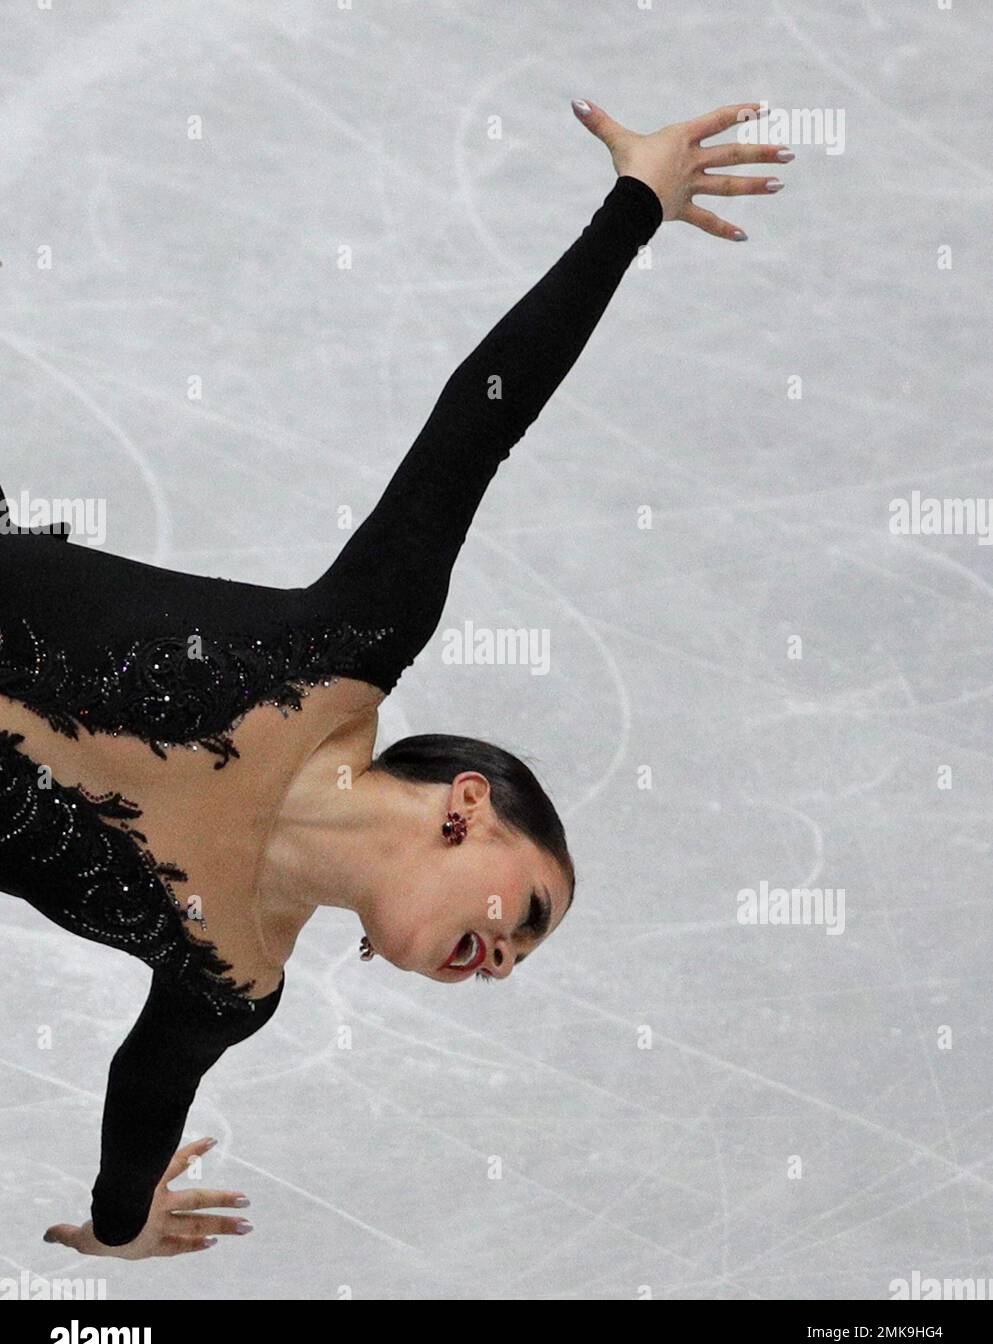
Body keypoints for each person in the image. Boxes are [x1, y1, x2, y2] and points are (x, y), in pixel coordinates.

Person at [0, 99, 789, 1260]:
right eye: (525, 915)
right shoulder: (349, 648)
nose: (506, 959)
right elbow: (483, 417)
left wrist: (123, 1224)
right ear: (466, 806)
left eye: (518, 957)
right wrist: (637, 207)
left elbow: (142, 1090)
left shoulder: (234, 981)